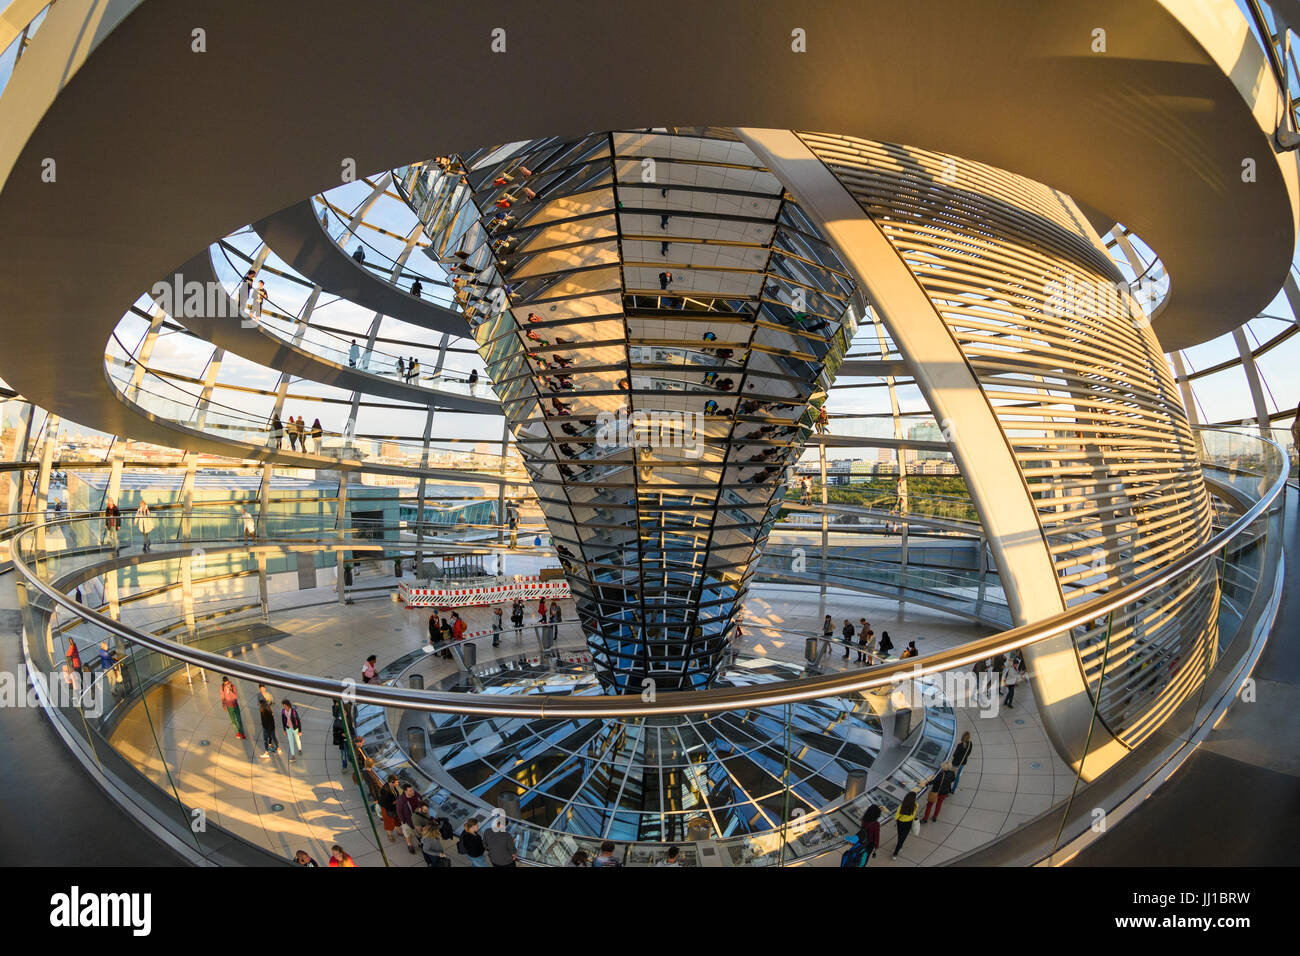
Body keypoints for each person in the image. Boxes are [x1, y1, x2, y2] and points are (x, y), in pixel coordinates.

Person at [396, 783, 422, 855]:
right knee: (408, 834)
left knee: (418, 832)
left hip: (417, 819)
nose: (413, 792)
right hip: (407, 821)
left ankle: (421, 842)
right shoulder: (401, 800)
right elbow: (399, 811)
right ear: (405, 791)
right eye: (410, 791)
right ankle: (409, 845)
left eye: (412, 790)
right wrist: (403, 821)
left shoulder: (416, 794)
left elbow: (420, 798)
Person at [893, 791, 918, 859]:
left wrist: (897, 820)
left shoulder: (901, 806)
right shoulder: (915, 805)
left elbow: (896, 816)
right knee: (903, 837)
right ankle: (896, 852)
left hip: (900, 822)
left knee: (900, 834)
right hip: (908, 823)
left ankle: (899, 845)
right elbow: (914, 814)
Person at [377, 777, 402, 844]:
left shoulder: (393, 787)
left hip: (394, 808)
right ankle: (389, 835)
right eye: (397, 782)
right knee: (389, 822)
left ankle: (399, 830)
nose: (398, 783)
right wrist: (394, 802)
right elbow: (383, 803)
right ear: (392, 782)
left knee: (397, 819)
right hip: (387, 809)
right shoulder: (384, 790)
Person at [281, 698, 302, 763]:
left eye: (285, 706)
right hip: (288, 728)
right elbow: (283, 721)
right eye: (283, 706)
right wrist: (284, 730)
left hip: (295, 728)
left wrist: (300, 730)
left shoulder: (293, 711)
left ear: (288, 705)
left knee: (297, 739)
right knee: (290, 741)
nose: (284, 707)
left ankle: (299, 749)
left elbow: (298, 720)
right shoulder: (283, 711)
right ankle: (293, 755)